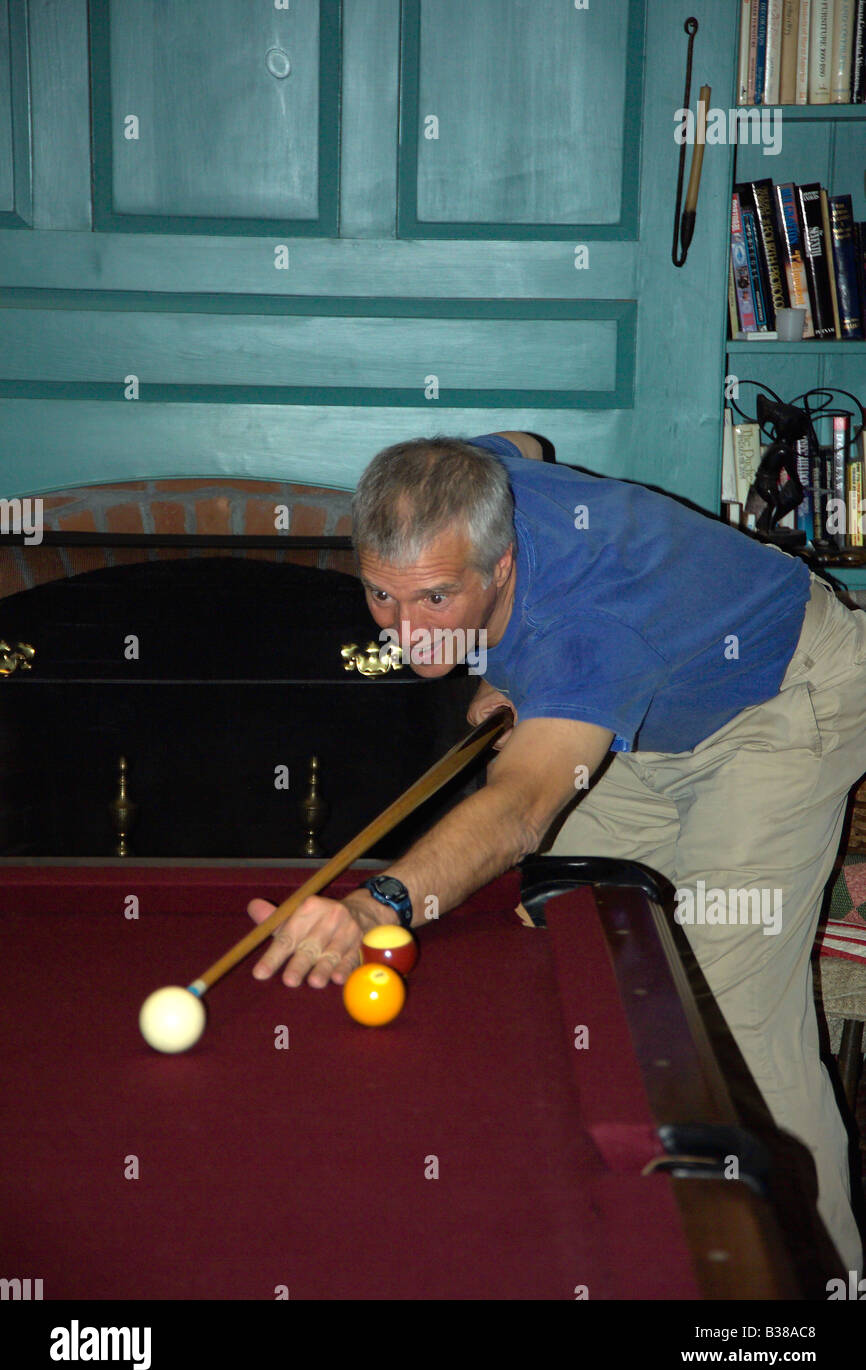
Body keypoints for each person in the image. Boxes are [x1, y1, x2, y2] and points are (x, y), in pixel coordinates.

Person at [249, 430, 866, 1277]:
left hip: (778, 705)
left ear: (499, 569)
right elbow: (525, 442)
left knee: (726, 1032)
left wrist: (375, 904)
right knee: (575, 942)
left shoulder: (585, 630)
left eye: (434, 600)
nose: (405, 632)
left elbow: (520, 810)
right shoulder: (459, 482)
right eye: (381, 597)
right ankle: (587, 1214)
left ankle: (817, 1285)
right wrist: (506, 662)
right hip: (643, 709)